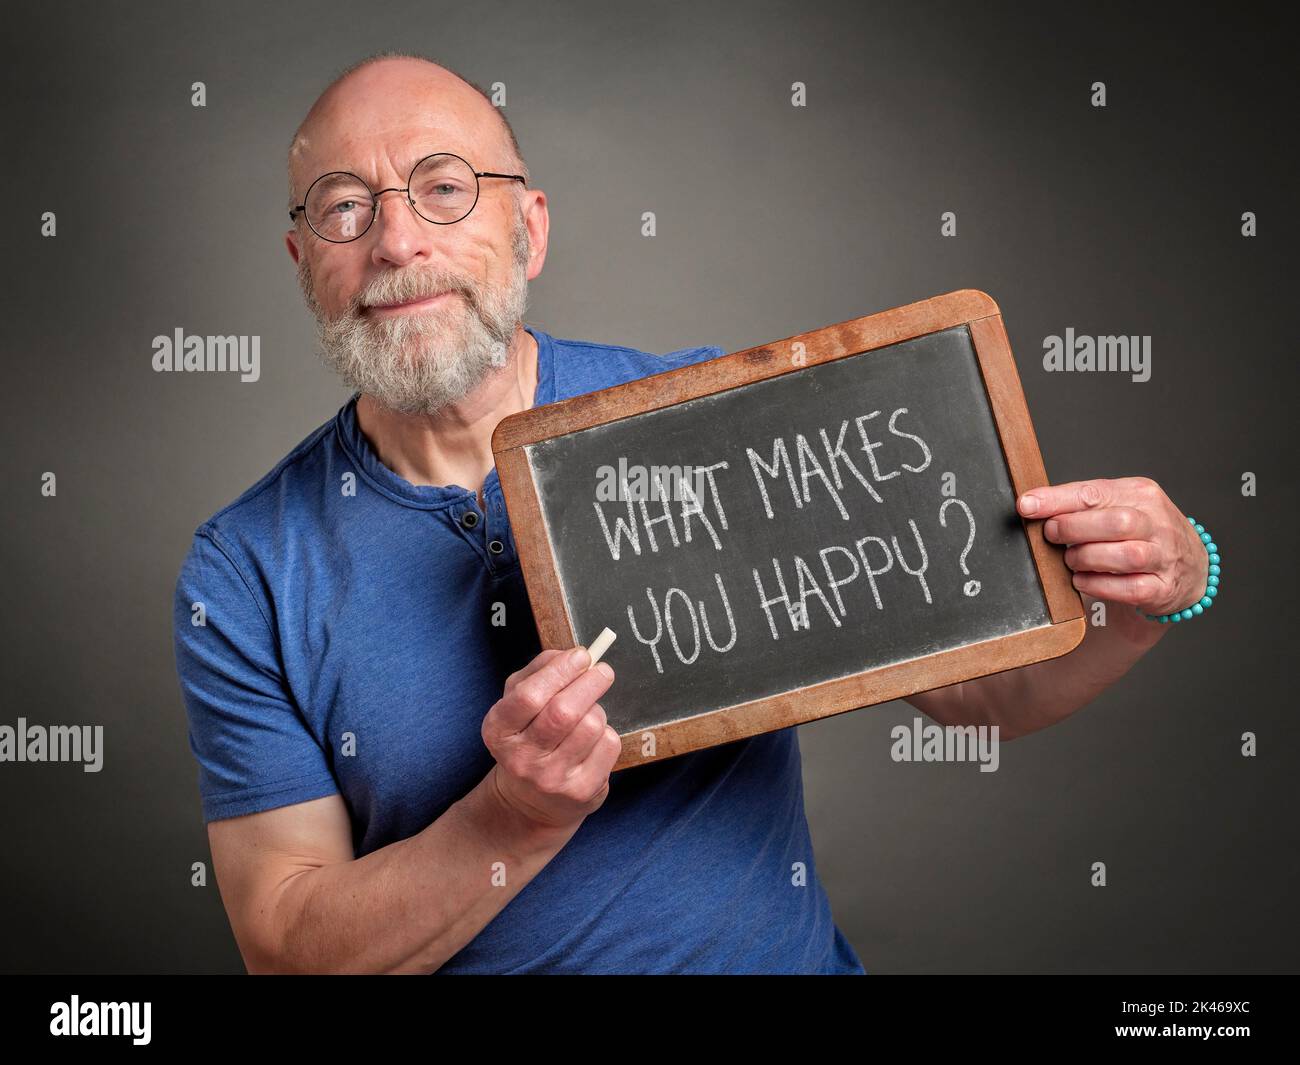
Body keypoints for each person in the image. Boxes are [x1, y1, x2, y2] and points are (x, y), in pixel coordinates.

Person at [172, 51, 1211, 975]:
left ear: (527, 228)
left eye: (444, 188)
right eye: (344, 206)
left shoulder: (711, 419)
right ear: (305, 260)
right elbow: (289, 945)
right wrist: (515, 816)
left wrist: (1154, 592)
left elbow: (983, 693)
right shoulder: (244, 572)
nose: (397, 241)